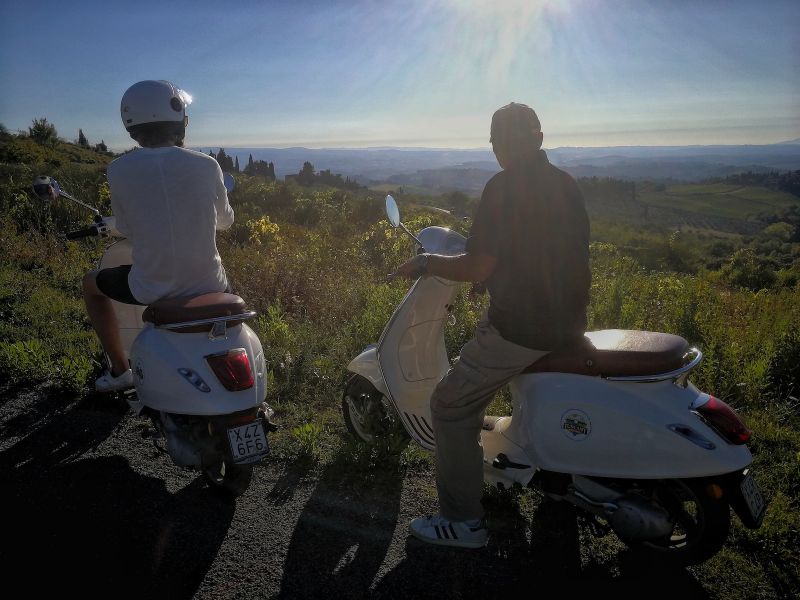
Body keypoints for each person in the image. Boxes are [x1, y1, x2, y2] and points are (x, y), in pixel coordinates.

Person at [391, 102, 590, 548]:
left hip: (521, 327)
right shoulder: (564, 183)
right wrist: (496, 277)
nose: (501, 150)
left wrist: (426, 262)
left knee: (449, 403)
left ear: (506, 144)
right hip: (569, 322)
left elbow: (478, 263)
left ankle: (463, 522)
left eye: (501, 141)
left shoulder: (503, 187)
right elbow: (548, 254)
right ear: (539, 137)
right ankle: (553, 480)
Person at [83, 80, 234, 392]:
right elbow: (225, 222)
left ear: (131, 126)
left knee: (90, 283)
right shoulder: (208, 165)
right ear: (180, 121)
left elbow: (126, 227)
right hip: (210, 285)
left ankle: (120, 370)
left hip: (150, 288)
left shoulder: (119, 169)